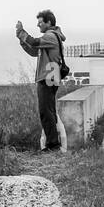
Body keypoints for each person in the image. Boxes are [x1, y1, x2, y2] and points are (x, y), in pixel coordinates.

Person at [15, 10, 67, 152]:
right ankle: (53, 143)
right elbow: (34, 51)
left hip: (48, 75)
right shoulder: (51, 37)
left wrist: (21, 32)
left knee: (46, 111)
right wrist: (22, 40)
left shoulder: (50, 36)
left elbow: (34, 42)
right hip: (51, 74)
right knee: (48, 110)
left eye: (40, 22)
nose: (38, 25)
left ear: (49, 22)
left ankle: (52, 145)